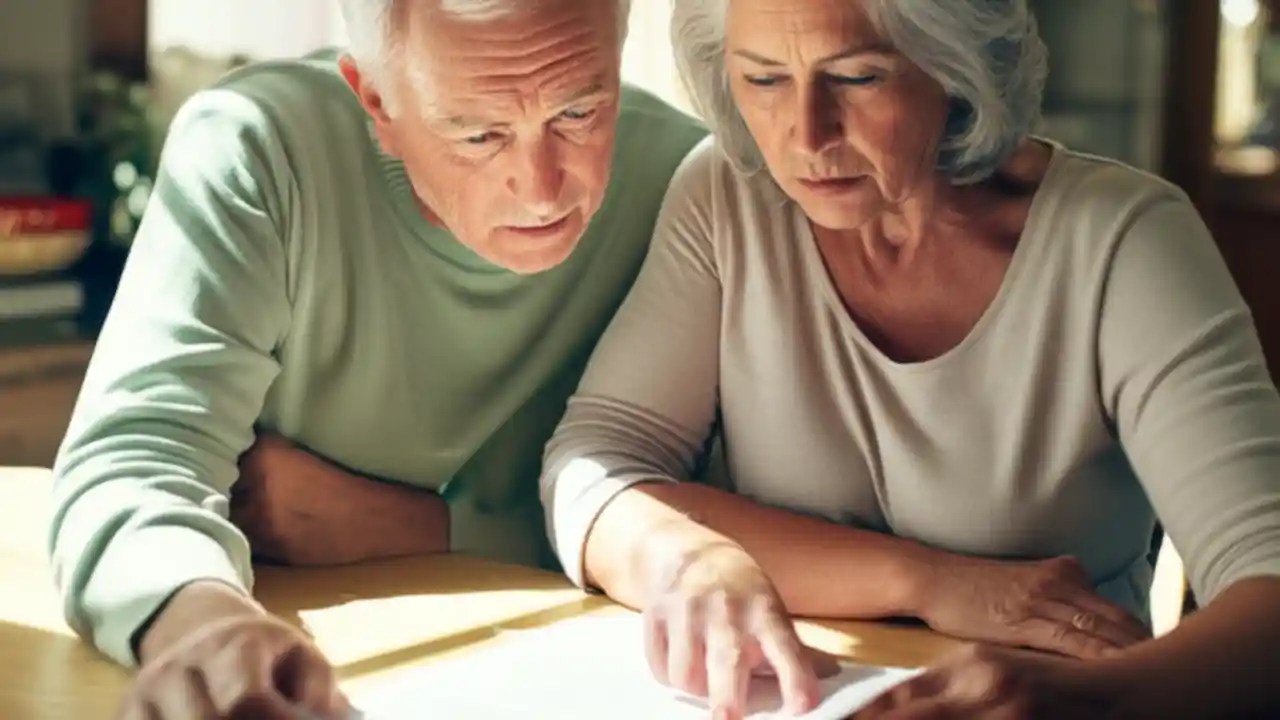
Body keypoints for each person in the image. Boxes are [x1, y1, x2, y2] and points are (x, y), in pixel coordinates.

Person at [540, 0, 1280, 717]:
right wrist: (927, 581)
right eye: (764, 79)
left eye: (858, 77)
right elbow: (596, 467)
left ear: (955, 68)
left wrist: (1088, 699)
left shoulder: (1124, 241)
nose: (806, 136)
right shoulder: (727, 198)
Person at [48, 0, 707, 717]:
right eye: (479, 134)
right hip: (321, 653)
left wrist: (420, 528)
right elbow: (136, 462)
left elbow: (726, 511)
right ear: (377, 104)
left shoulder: (690, 183)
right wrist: (205, 625)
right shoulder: (257, 149)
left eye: (579, 114)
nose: (544, 187)